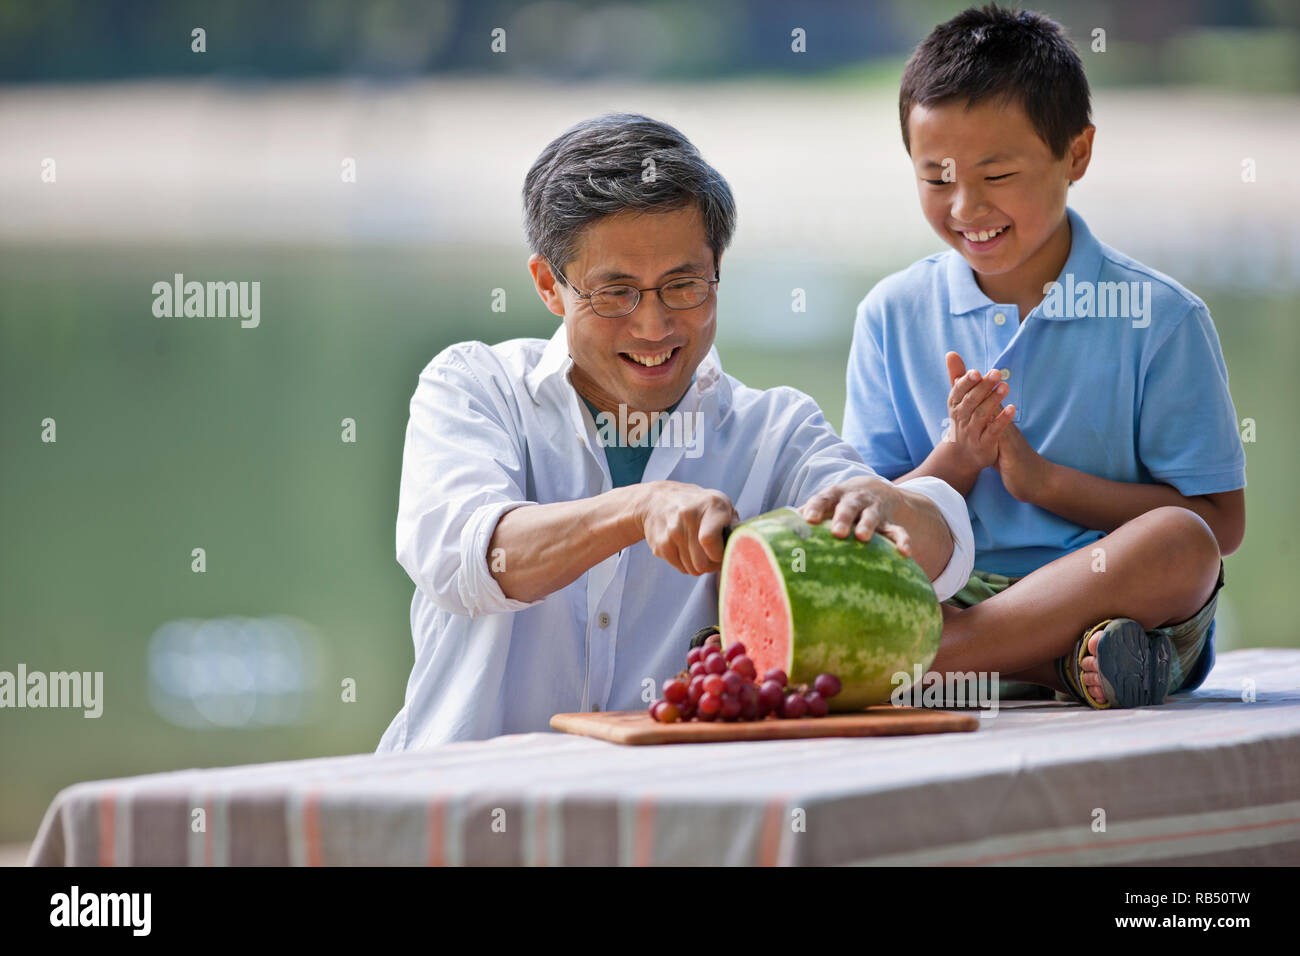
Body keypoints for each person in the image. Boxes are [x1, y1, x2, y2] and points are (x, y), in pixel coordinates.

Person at [377, 113, 974, 749]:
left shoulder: (773, 430)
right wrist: (640, 507)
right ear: (550, 285)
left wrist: (889, 502)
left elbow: (936, 557)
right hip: (461, 813)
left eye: (683, 286)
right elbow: (465, 559)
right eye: (617, 294)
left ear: (718, 270)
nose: (654, 326)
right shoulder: (473, 387)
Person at [843, 5, 1245, 709]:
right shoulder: (890, 313)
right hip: (953, 589)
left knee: (1182, 543)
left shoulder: (1163, 318)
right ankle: (1054, 665)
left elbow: (1222, 524)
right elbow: (876, 512)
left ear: (1076, 155)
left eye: (997, 175)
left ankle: (949, 659)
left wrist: (1045, 484)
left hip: (1107, 589)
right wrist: (956, 461)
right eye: (935, 178)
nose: (966, 205)